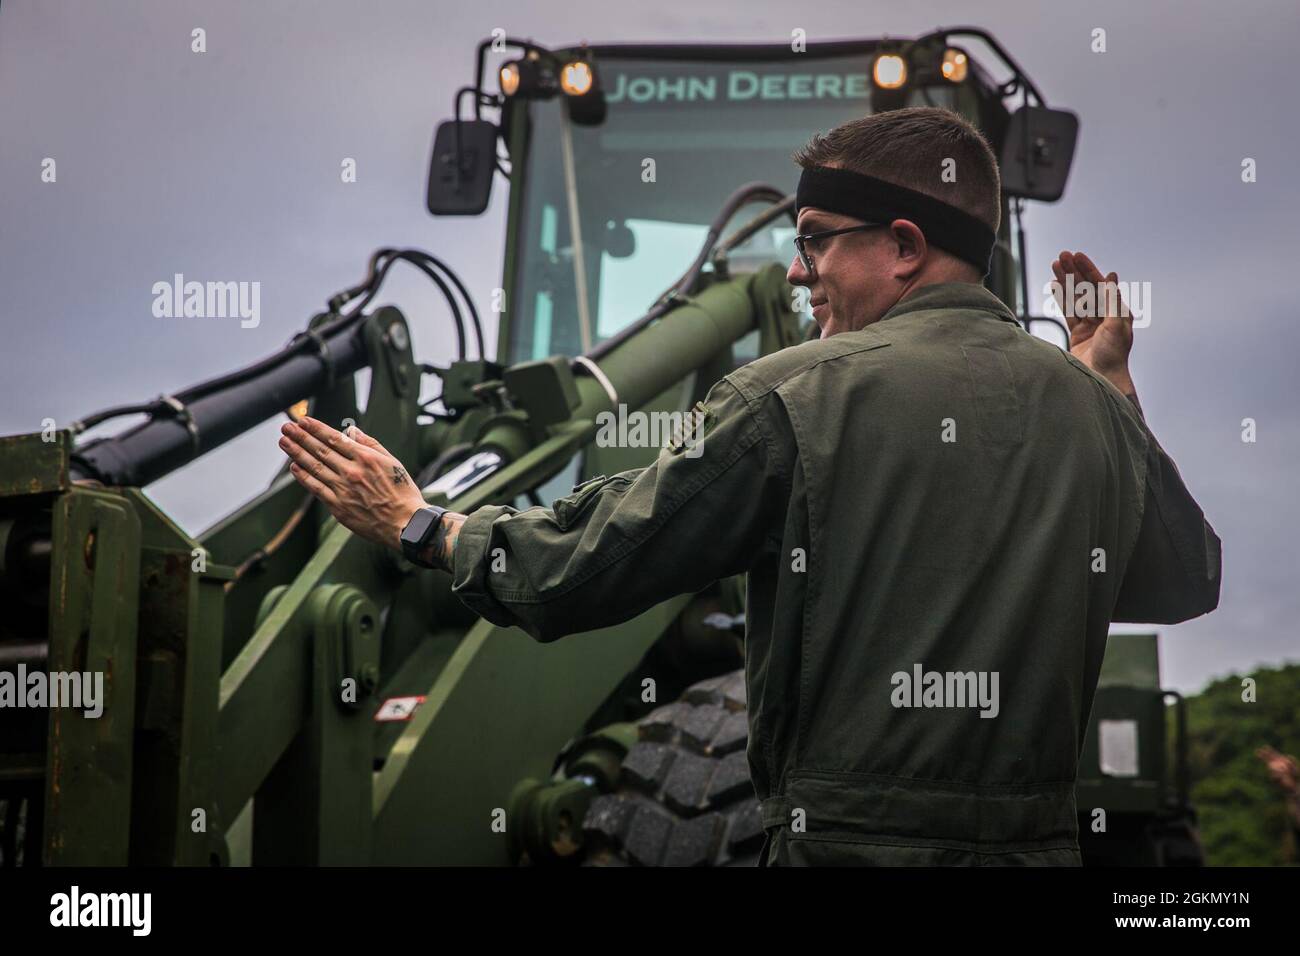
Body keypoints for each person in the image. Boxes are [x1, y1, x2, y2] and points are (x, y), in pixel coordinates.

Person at [278, 107, 1221, 866]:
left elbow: (589, 566)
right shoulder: (1090, 410)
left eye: (815, 241)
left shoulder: (796, 394)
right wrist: (1115, 387)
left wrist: (420, 525)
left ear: (902, 245)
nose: (799, 271)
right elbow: (1186, 581)